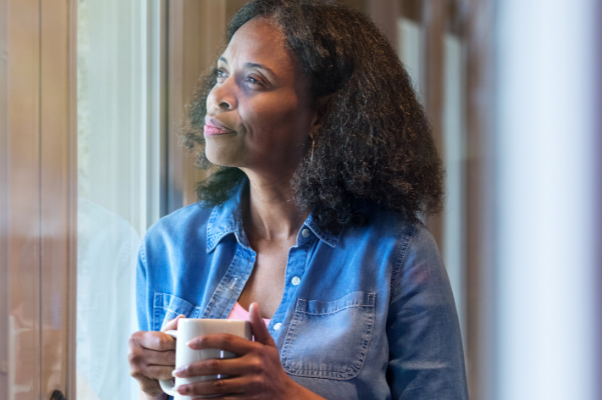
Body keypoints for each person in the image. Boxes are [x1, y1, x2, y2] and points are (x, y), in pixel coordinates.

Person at [128, 0, 468, 399]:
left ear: (320, 114)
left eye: (253, 80)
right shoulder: (167, 245)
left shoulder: (397, 252)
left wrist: (285, 393)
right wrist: (154, 386)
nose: (218, 94)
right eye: (223, 72)